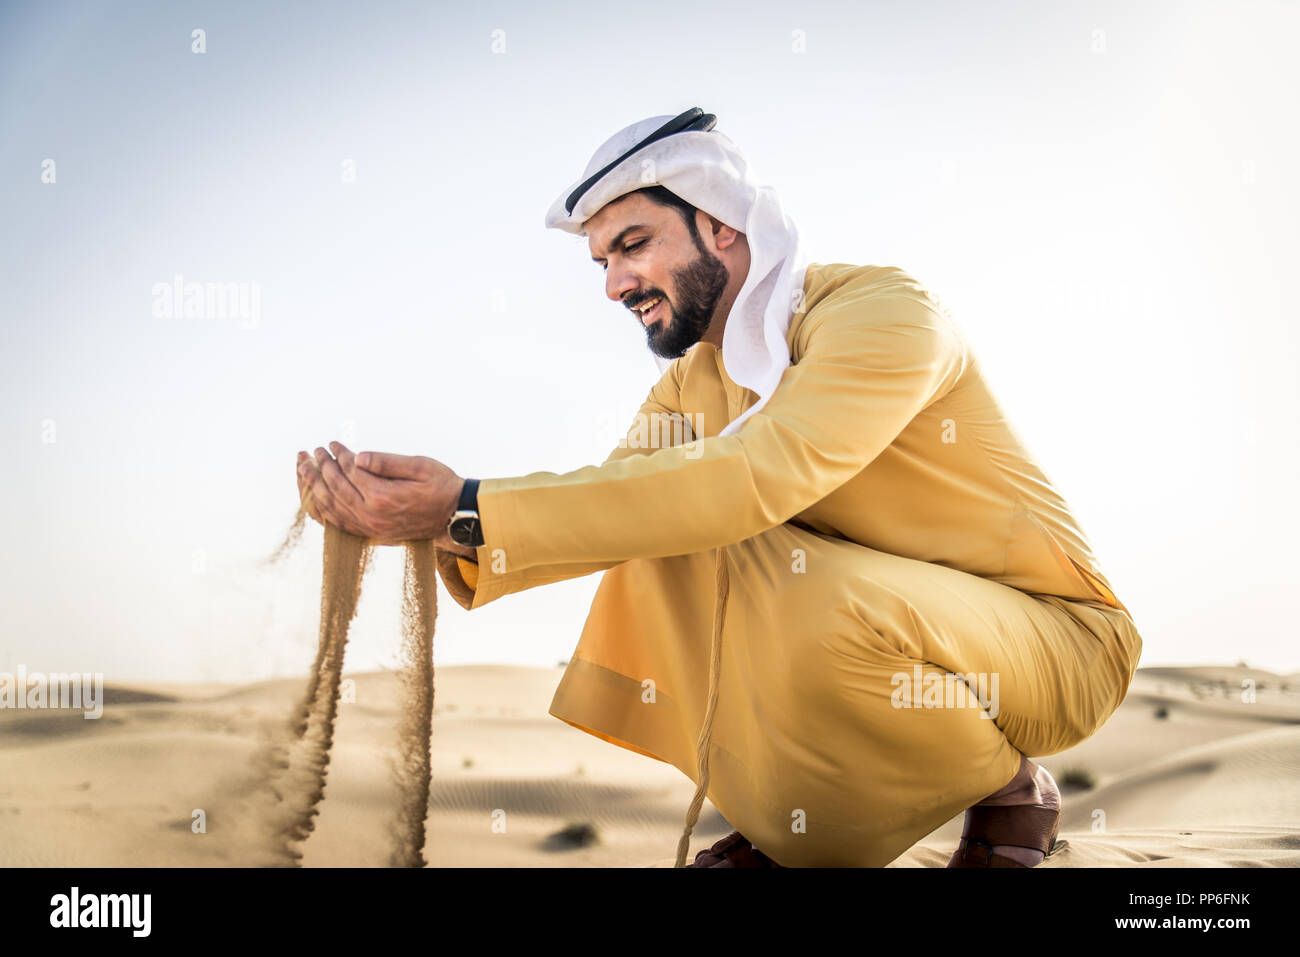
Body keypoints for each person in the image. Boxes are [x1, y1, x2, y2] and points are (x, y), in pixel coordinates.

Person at [295, 108, 1142, 868]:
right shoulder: (689, 385)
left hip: (1053, 640)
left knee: (736, 534)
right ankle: (789, 821)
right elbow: (613, 500)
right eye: (601, 262)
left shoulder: (881, 313)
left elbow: (755, 476)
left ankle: (1006, 786)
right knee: (657, 523)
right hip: (895, 626)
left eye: (633, 245)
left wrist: (467, 504)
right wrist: (426, 520)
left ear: (722, 227)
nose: (614, 285)